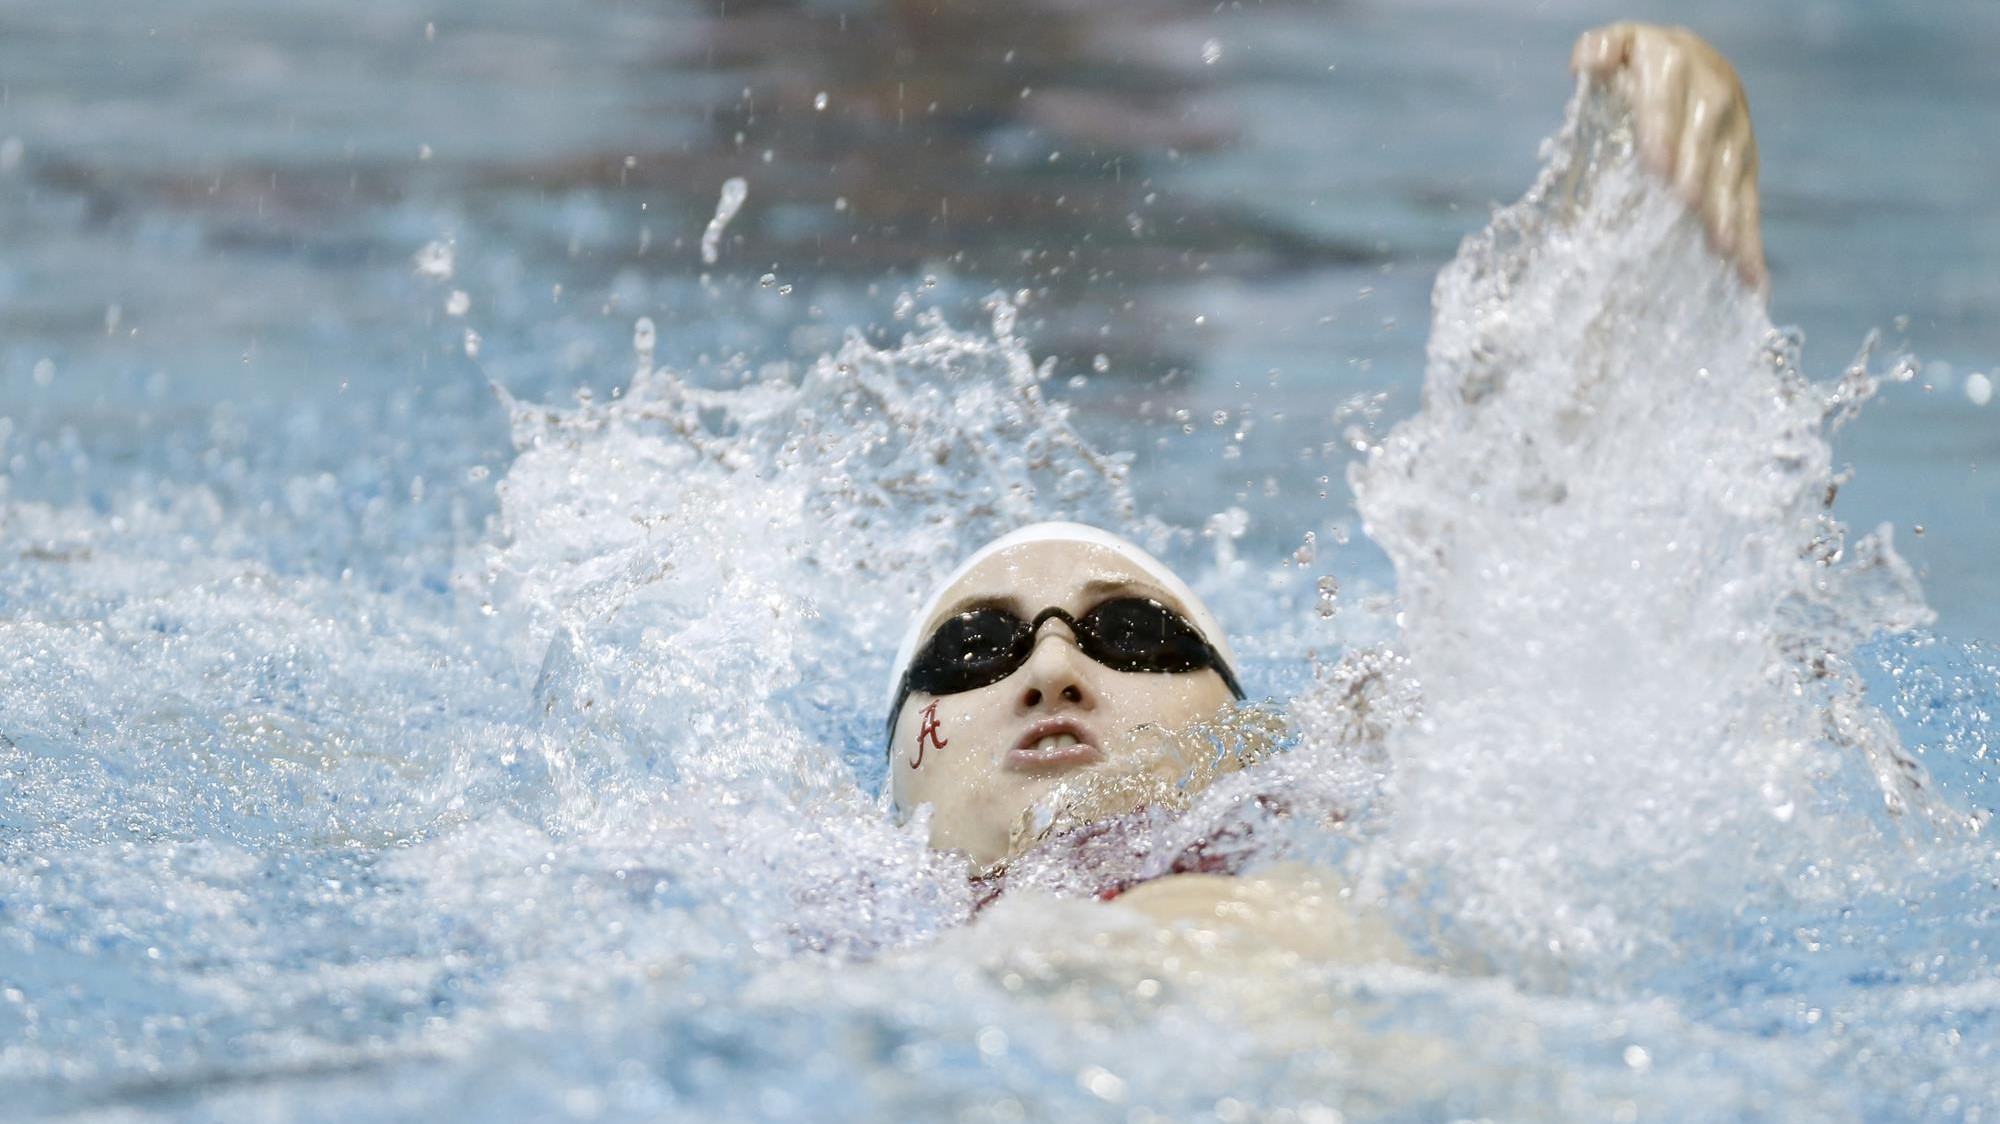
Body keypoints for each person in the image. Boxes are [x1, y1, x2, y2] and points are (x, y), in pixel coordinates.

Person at [883, 23, 1769, 942]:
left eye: (1136, 636)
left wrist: (1633, 185)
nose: (1054, 671)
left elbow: (1549, 553)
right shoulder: (830, 947)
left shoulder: (1338, 839)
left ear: (1241, 729)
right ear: (893, 779)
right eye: (976, 647)